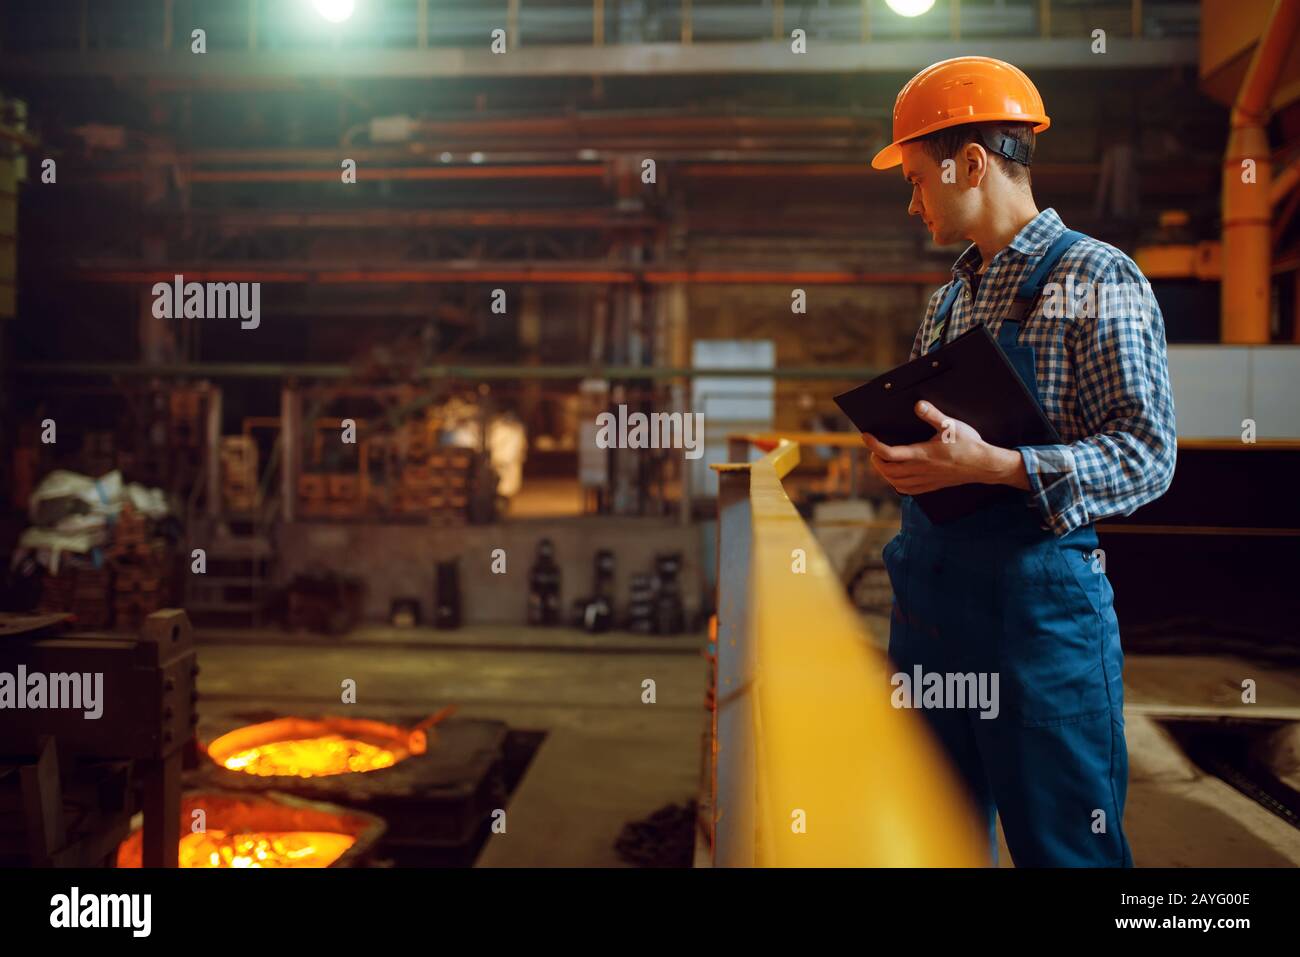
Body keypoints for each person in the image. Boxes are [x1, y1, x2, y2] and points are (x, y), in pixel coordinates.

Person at [863, 56, 1177, 867]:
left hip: (1037, 622)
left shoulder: (1098, 278)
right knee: (934, 839)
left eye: (916, 176)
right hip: (930, 606)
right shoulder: (951, 298)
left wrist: (1000, 466)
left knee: (1065, 849)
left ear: (971, 163)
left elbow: (1146, 455)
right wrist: (911, 459)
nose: (912, 199)